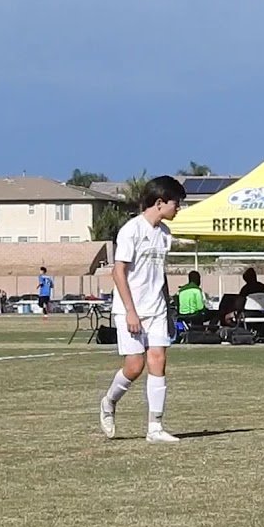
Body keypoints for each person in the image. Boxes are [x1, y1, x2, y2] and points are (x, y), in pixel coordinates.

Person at [99, 176, 184, 443]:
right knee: (134, 367)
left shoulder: (165, 235)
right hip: (131, 309)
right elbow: (118, 271)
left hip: (157, 309)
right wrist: (130, 311)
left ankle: (155, 427)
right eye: (176, 203)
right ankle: (108, 402)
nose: (178, 208)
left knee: (158, 360)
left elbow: (161, 275)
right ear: (160, 203)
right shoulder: (131, 230)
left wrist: (168, 310)